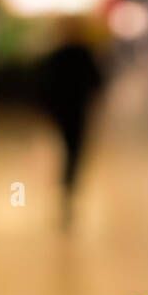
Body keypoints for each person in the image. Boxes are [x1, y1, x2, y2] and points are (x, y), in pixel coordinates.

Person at [41, 17, 106, 229]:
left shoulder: (58, 55)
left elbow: (45, 86)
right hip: (76, 110)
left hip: (64, 110)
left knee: (69, 149)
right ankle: (68, 184)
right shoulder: (84, 54)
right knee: (74, 150)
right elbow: (97, 83)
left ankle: (66, 184)